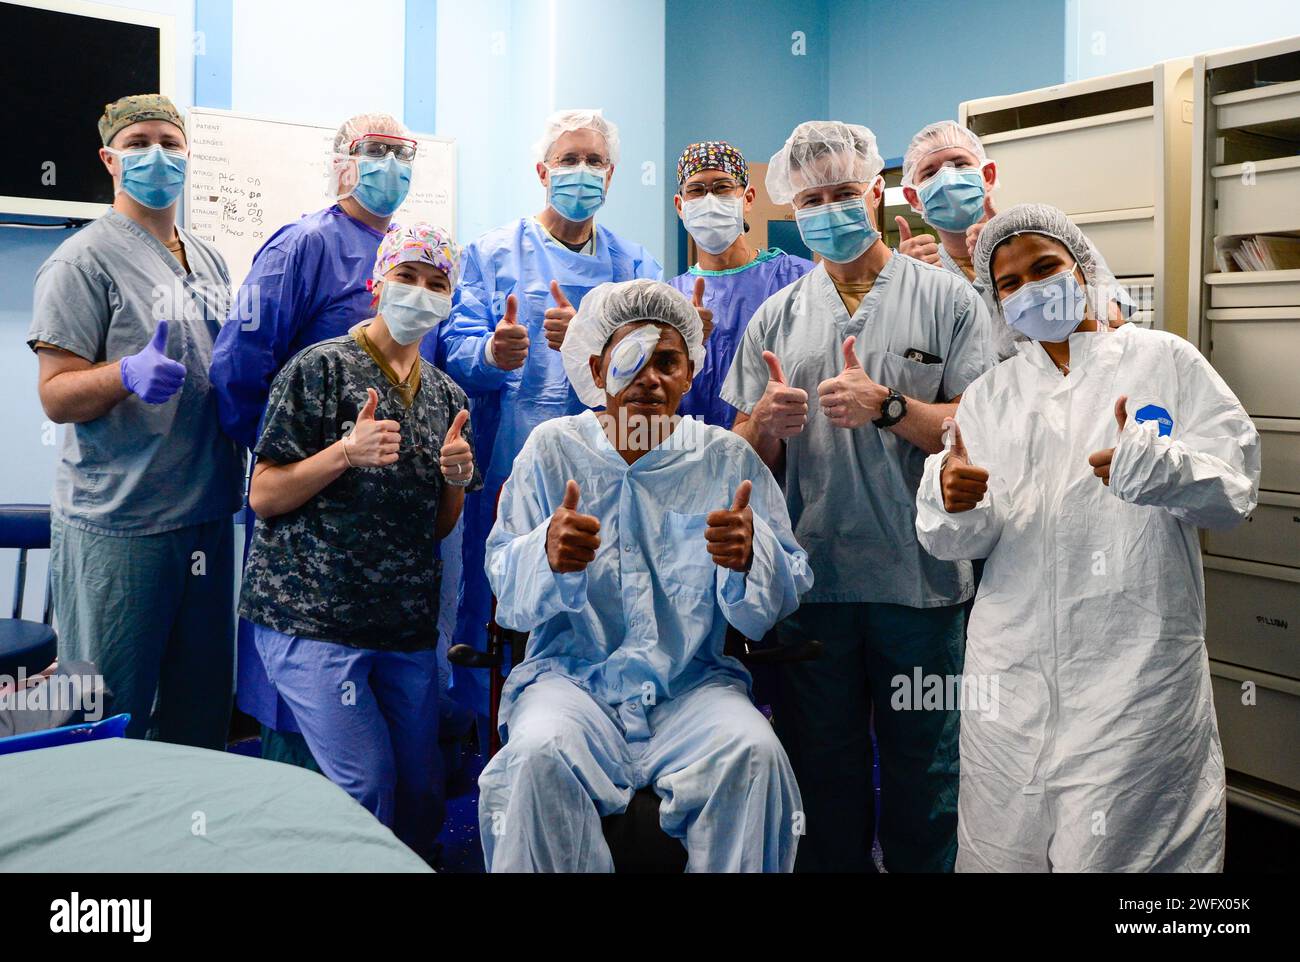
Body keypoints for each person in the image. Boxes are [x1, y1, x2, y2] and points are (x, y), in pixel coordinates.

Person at [915, 203, 1259, 872]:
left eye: (1045, 267)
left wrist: (1163, 470)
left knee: (1124, 851)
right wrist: (954, 504)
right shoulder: (991, 396)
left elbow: (1235, 491)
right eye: (1009, 282)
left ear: (1085, 269)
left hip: (1132, 673)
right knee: (998, 847)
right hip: (1011, 675)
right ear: (996, 300)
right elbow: (960, 539)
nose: (1029, 288)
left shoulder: (1163, 361)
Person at [722, 121, 994, 873]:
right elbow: (741, 457)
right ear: (792, 210)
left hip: (920, 584)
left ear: (878, 192)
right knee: (823, 769)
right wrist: (767, 426)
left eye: (845, 193)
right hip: (817, 584)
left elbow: (983, 427)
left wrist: (893, 407)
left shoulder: (946, 301)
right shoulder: (776, 316)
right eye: (813, 198)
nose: (831, 209)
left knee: (925, 770)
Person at [478, 279, 812, 873]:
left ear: (690, 375)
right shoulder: (551, 451)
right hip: (571, 682)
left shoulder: (726, 459)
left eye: (667, 362)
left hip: (694, 686)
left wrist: (751, 557)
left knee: (754, 753)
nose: (649, 379)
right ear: (597, 368)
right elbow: (506, 582)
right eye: (630, 361)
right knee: (533, 756)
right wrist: (545, 554)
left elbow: (782, 589)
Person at [238, 224, 478, 862]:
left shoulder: (447, 396)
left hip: (400, 624)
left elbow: (437, 528)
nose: (420, 293)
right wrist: (343, 453)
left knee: (425, 792)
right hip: (313, 618)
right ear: (377, 283)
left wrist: (454, 481)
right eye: (407, 277)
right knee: (366, 784)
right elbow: (263, 495)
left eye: (437, 283)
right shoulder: (317, 370)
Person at [427, 109, 662, 723]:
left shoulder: (634, 264)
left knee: (596, 586)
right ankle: (485, 727)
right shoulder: (489, 252)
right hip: (507, 461)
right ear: (542, 171)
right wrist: (492, 352)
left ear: (611, 176)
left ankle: (597, 722)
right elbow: (457, 344)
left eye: (593, 162)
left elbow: (659, 360)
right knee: (498, 590)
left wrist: (590, 342)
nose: (581, 173)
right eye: (568, 160)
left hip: (610, 465)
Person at [28, 94, 243, 747]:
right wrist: (123, 375)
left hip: (205, 512)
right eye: (141, 141)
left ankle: (185, 840)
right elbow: (56, 395)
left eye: (171, 143)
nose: (158, 155)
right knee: (108, 711)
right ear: (110, 159)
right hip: (121, 526)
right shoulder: (81, 260)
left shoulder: (206, 259)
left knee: (200, 712)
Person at [210, 112, 419, 770]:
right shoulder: (304, 246)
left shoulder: (413, 259)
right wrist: (289, 457)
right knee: (304, 715)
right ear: (342, 163)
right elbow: (238, 365)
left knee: (378, 716)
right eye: (374, 150)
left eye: (401, 151)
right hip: (307, 507)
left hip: (385, 522)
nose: (390, 162)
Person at [668, 141, 814, 427]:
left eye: (722, 187)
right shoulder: (669, 298)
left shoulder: (797, 279)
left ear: (747, 199)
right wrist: (681, 342)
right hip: (692, 454)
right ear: (680, 206)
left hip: (780, 454)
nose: (709, 199)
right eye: (696, 190)